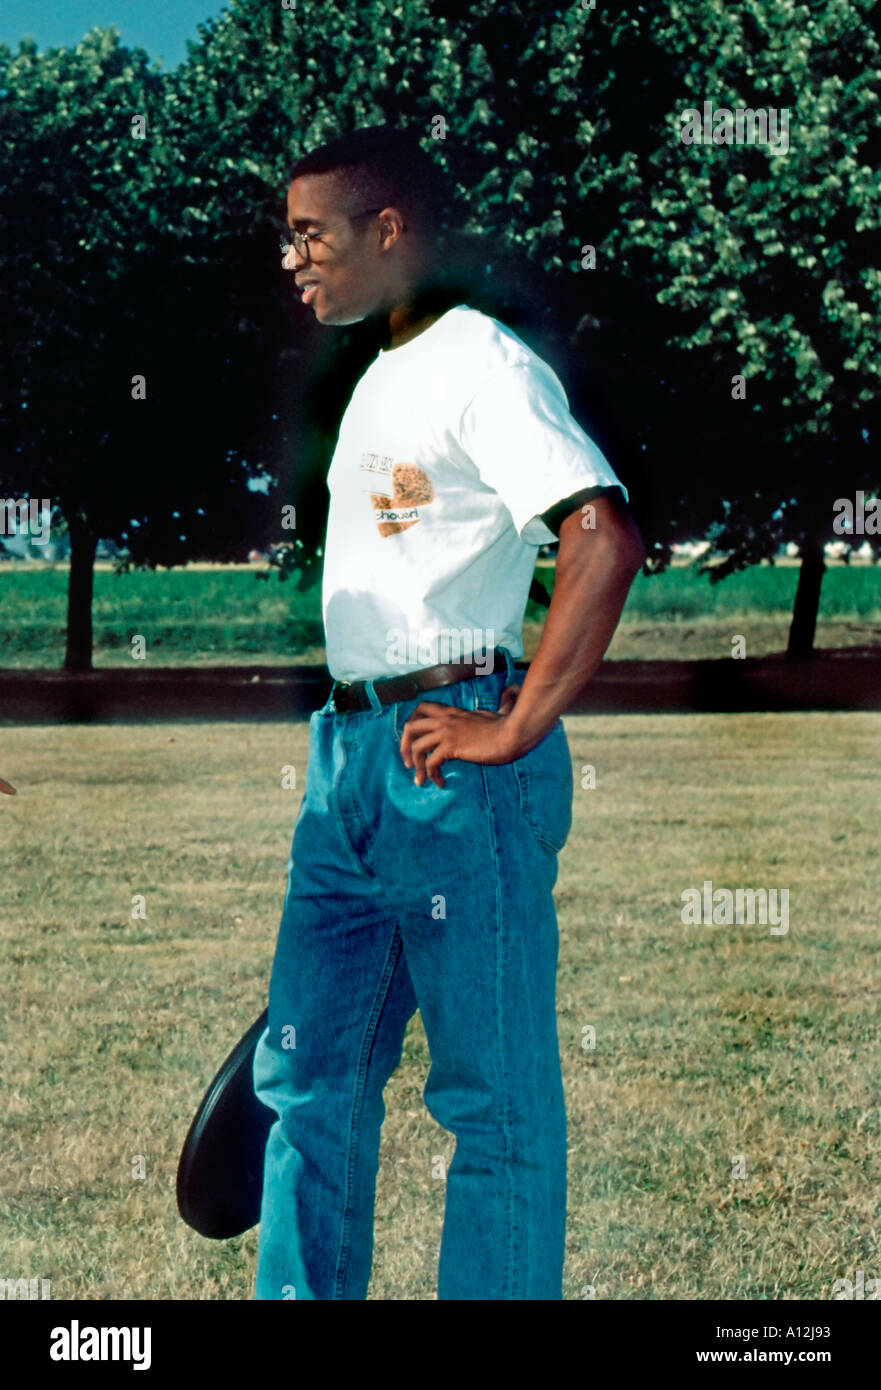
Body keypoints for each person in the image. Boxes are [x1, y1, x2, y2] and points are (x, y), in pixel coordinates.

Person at [252, 126, 645, 1300]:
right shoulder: (379, 375)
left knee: (491, 1103)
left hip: (454, 757)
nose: (290, 259)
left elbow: (599, 534)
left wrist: (513, 724)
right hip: (351, 768)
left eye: (309, 233)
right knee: (308, 1081)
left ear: (389, 229)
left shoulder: (485, 364)